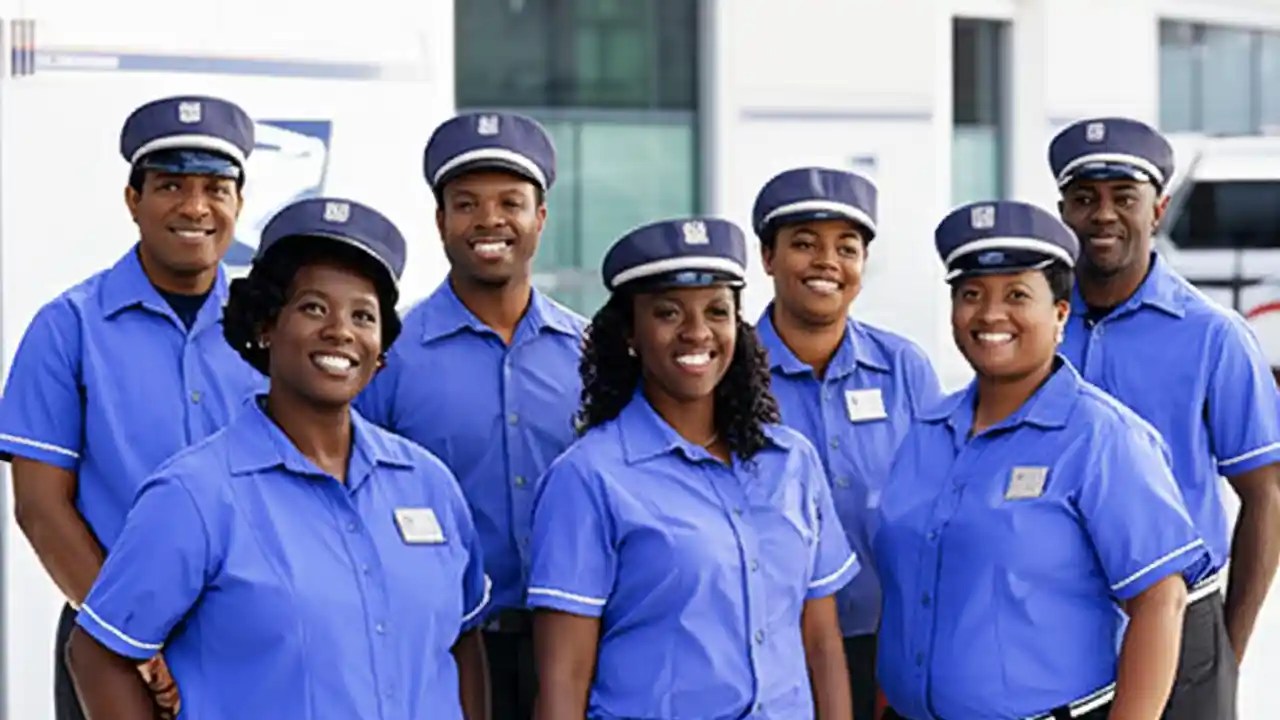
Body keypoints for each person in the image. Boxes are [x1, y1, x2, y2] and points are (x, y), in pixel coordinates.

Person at [64, 197, 491, 719]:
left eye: (363, 315)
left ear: (380, 352)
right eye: (313, 307)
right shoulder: (195, 493)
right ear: (266, 326)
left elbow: (462, 641)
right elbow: (98, 653)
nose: (341, 331)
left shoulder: (429, 485)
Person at [875, 200, 1205, 720]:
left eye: (1017, 295)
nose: (990, 314)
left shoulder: (1101, 438)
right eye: (971, 295)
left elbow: (1161, 602)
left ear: (1060, 314)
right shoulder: (925, 431)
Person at [527, 217, 860, 719]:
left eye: (717, 311)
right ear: (631, 335)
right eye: (668, 313)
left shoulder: (792, 462)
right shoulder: (589, 476)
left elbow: (821, 644)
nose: (697, 332)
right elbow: (563, 678)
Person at [0, 94, 264, 719]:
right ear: (133, 200)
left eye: (215, 188)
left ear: (238, 206)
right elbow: (40, 507)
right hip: (109, 644)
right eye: (171, 185)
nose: (195, 207)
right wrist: (130, 637)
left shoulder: (271, 329)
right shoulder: (68, 327)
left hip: (254, 641)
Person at [356, 110, 586, 720]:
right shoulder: (387, 356)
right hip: (437, 649)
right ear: (440, 221)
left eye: (511, 202)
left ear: (541, 217)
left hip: (578, 646)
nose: (490, 220)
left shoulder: (594, 358)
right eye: (466, 203)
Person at [1050, 117, 1280, 719]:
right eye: (1083, 199)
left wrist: (1225, 650)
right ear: (1062, 213)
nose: (1102, 214)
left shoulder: (1214, 337)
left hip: (1180, 621)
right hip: (1053, 625)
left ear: (1158, 209)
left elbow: (1266, 496)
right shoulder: (1031, 331)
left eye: (1124, 197)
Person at [751, 167, 942, 719]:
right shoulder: (729, 374)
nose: (826, 262)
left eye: (846, 247)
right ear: (768, 257)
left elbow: (940, 498)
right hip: (776, 647)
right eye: (804, 244)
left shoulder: (903, 368)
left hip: (895, 642)